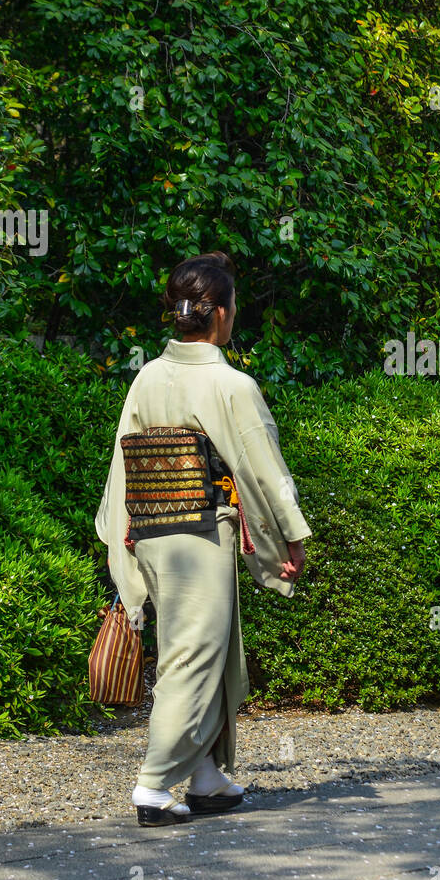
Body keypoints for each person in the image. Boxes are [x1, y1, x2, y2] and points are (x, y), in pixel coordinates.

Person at [95, 251, 311, 827]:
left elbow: (123, 464)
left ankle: (208, 776)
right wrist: (292, 536)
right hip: (201, 531)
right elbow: (264, 466)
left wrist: (127, 536)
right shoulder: (228, 383)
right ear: (220, 316)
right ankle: (154, 783)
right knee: (195, 654)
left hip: (154, 530)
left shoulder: (147, 376)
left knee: (205, 648)